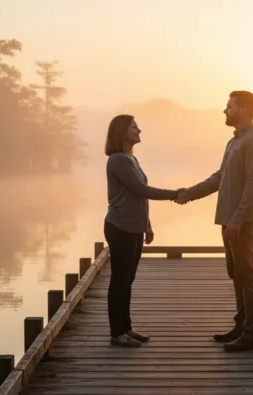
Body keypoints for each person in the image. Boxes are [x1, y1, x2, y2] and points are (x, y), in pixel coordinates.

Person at [175, 91, 253, 351]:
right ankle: (241, 325)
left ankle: (252, 334)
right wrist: (190, 194)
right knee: (236, 274)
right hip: (229, 221)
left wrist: (238, 220)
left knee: (248, 276)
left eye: (229, 107)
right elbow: (220, 177)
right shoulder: (234, 142)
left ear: (244, 110)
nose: (225, 111)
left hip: (243, 223)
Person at [104, 114, 180, 347]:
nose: (139, 130)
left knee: (128, 279)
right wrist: (175, 194)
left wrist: (146, 224)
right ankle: (117, 333)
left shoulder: (131, 159)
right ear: (122, 132)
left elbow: (137, 196)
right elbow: (141, 189)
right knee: (119, 279)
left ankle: (126, 327)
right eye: (134, 127)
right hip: (120, 227)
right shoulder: (118, 160)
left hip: (134, 228)